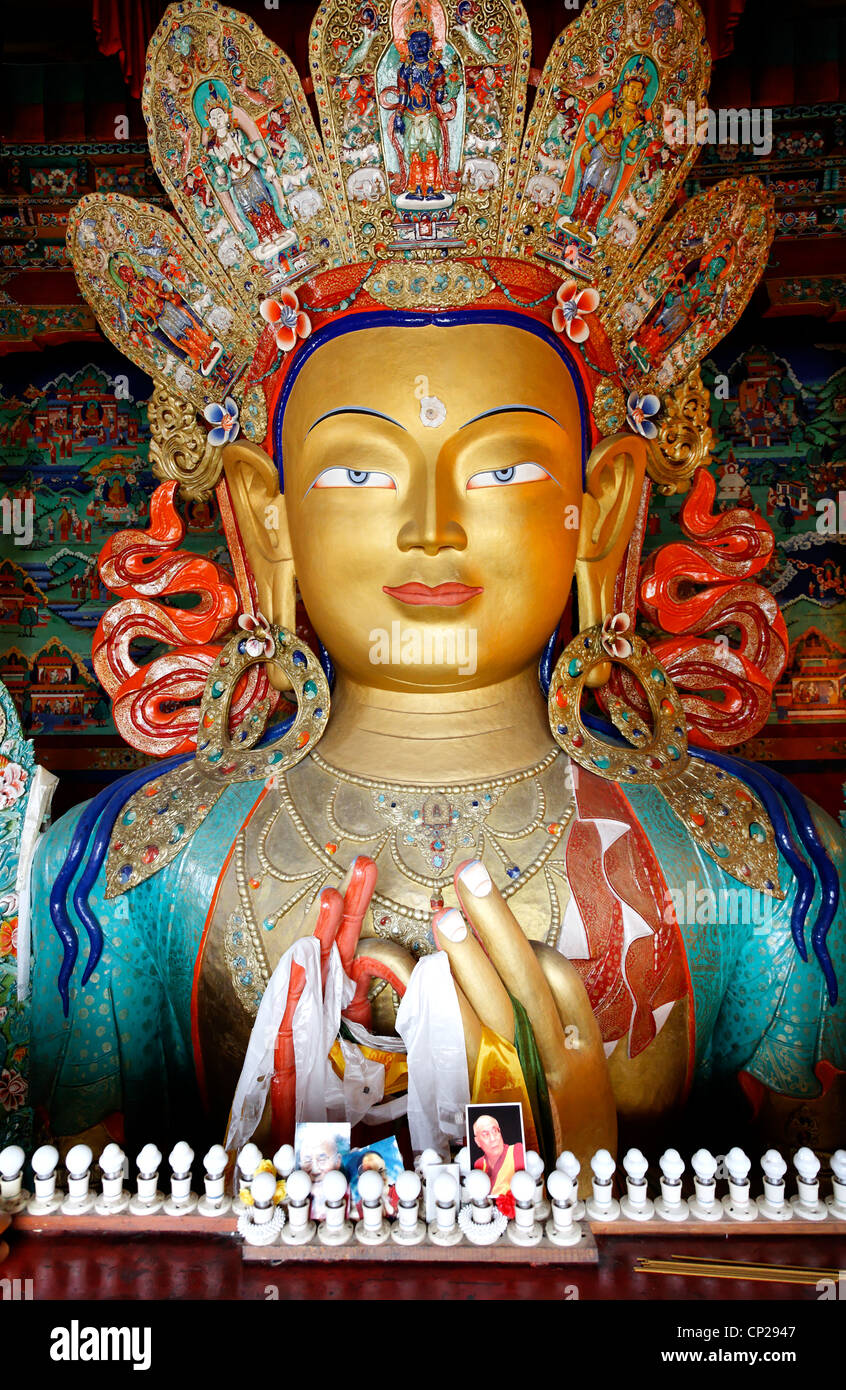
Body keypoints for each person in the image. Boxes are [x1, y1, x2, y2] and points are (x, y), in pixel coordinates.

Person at [472, 1114, 525, 1198]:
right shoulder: (479, 1164)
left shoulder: (517, 1151)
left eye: (495, 1131)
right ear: (477, 1141)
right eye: (485, 1134)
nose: (493, 1139)